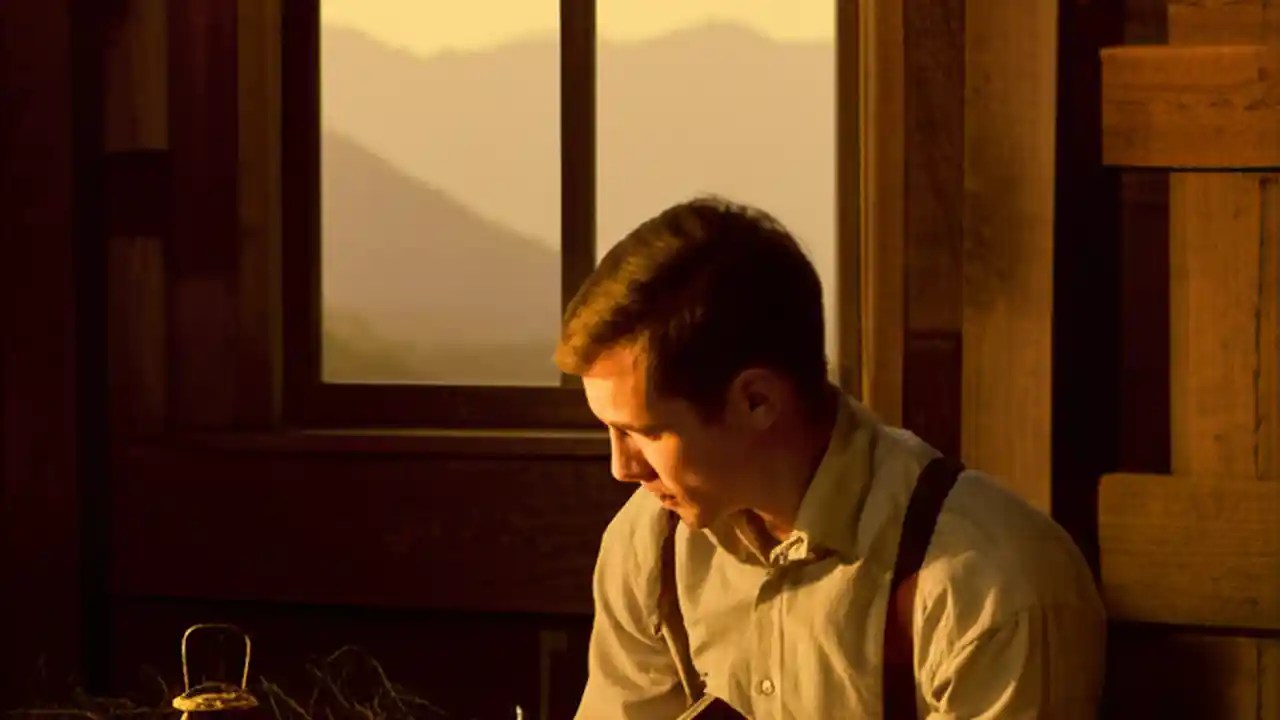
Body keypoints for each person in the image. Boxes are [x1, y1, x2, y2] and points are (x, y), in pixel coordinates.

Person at [557, 196, 1107, 719]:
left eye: (644, 433)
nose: (622, 467)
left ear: (758, 401)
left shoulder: (987, 580)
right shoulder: (649, 547)